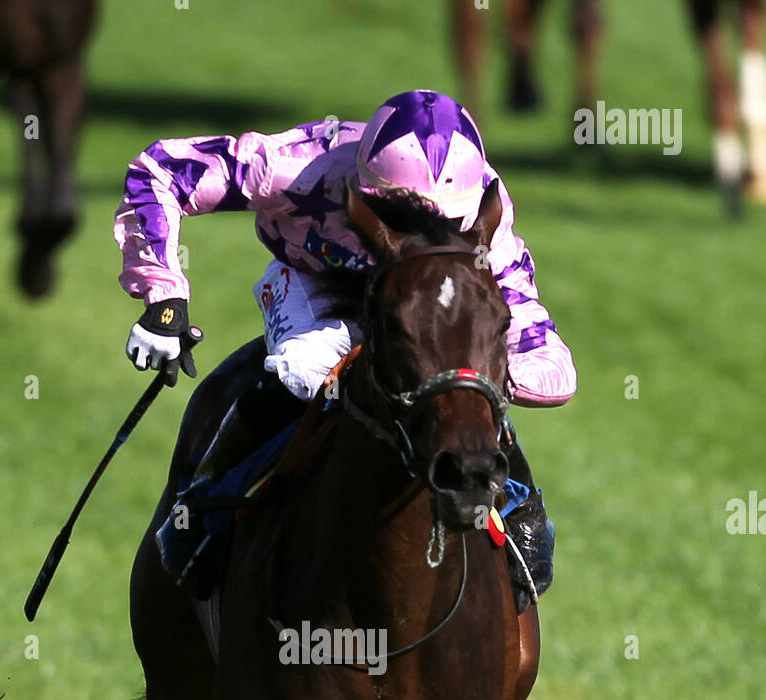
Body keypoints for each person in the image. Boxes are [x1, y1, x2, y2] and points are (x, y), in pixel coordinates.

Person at [114, 89, 576, 608]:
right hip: (316, 281)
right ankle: (206, 497)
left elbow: (534, 330)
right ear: (361, 185)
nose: (410, 238)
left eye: (444, 228)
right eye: (392, 219)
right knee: (309, 370)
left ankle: (520, 502)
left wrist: (486, 373)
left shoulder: (488, 203)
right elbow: (160, 170)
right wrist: (164, 298)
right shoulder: (297, 166)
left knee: (462, 369)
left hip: (427, 303)